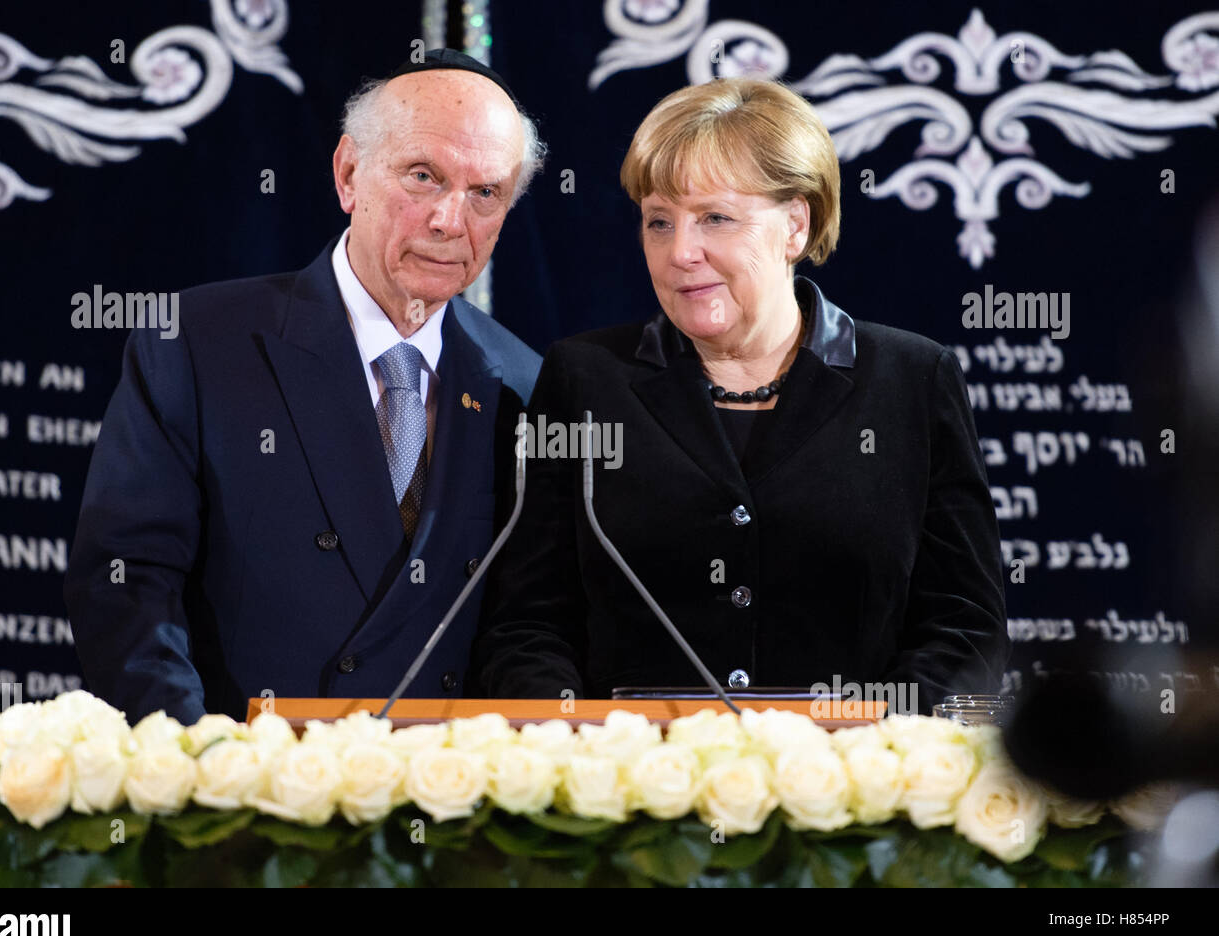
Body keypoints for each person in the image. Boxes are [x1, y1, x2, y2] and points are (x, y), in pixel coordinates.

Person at [470, 77, 1008, 712]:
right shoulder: (584, 380)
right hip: (636, 791)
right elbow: (526, 624)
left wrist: (868, 752)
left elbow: (965, 630)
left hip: (851, 795)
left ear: (795, 226)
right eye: (659, 222)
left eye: (715, 219)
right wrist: (573, 745)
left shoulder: (912, 380)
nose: (681, 252)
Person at [64, 50, 544, 723]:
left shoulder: (524, 386)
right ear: (350, 174)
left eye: (484, 193)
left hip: (439, 804)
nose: (449, 221)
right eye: (424, 177)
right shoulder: (197, 342)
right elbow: (127, 582)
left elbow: (525, 629)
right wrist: (192, 764)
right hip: (246, 799)